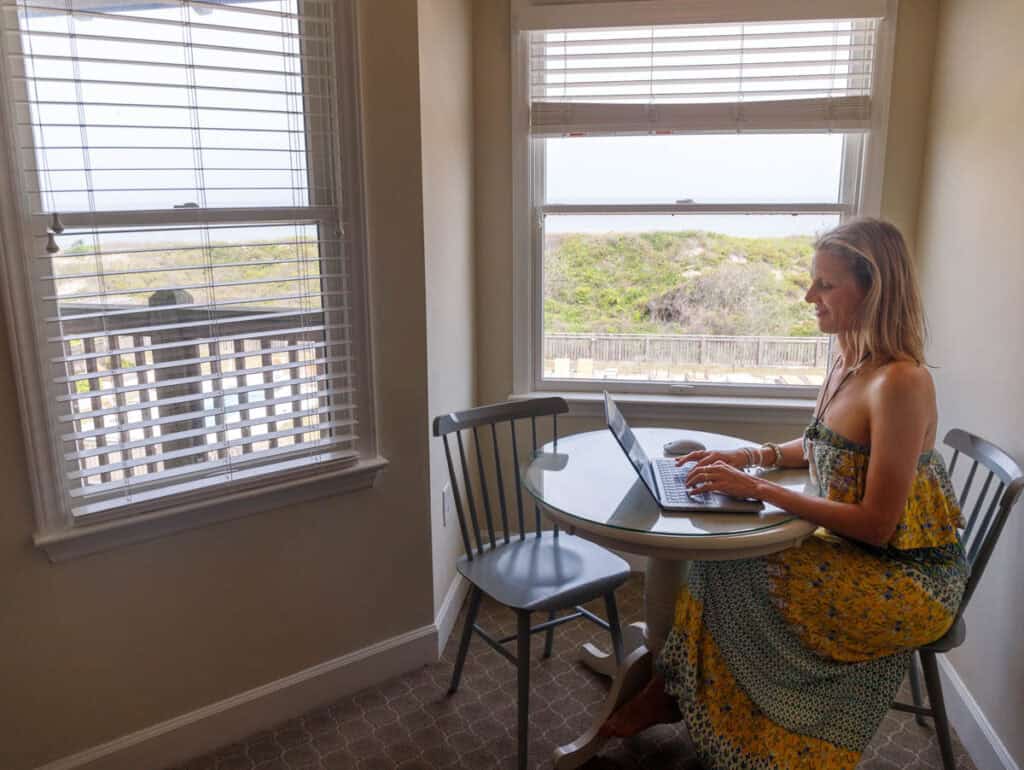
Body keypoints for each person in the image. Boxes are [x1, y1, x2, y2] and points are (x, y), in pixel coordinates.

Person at [601, 218, 968, 770]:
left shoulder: (902, 382)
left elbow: (876, 525)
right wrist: (752, 457)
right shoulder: (846, 356)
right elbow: (826, 444)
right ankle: (676, 689)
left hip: (908, 577)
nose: (808, 296)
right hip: (860, 553)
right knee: (723, 559)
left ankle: (693, 703)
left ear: (874, 289)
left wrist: (755, 489)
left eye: (826, 284)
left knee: (737, 566)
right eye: (811, 281)